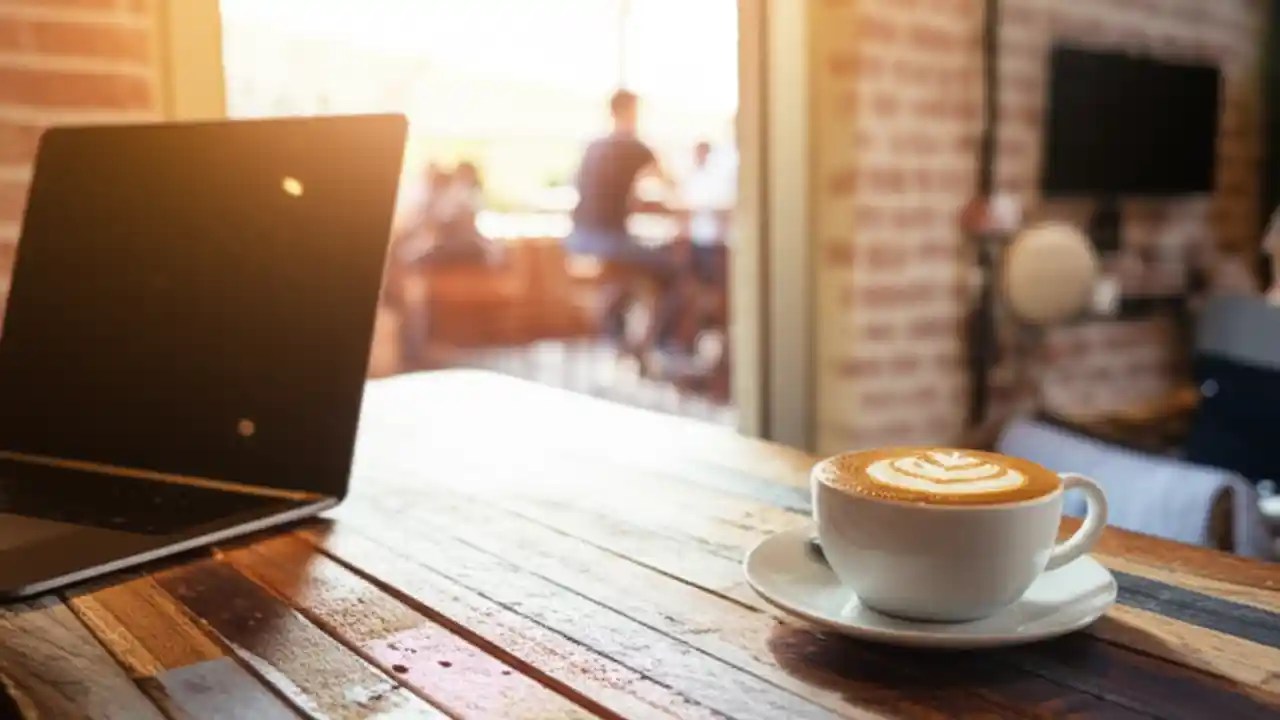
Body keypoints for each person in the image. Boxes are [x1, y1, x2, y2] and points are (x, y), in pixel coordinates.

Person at [565, 89, 678, 346]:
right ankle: (655, 343)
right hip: (611, 243)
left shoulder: (592, 147)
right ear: (632, 112)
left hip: (579, 241)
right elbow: (671, 185)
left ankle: (617, 329)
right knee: (671, 268)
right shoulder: (635, 147)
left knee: (628, 272)